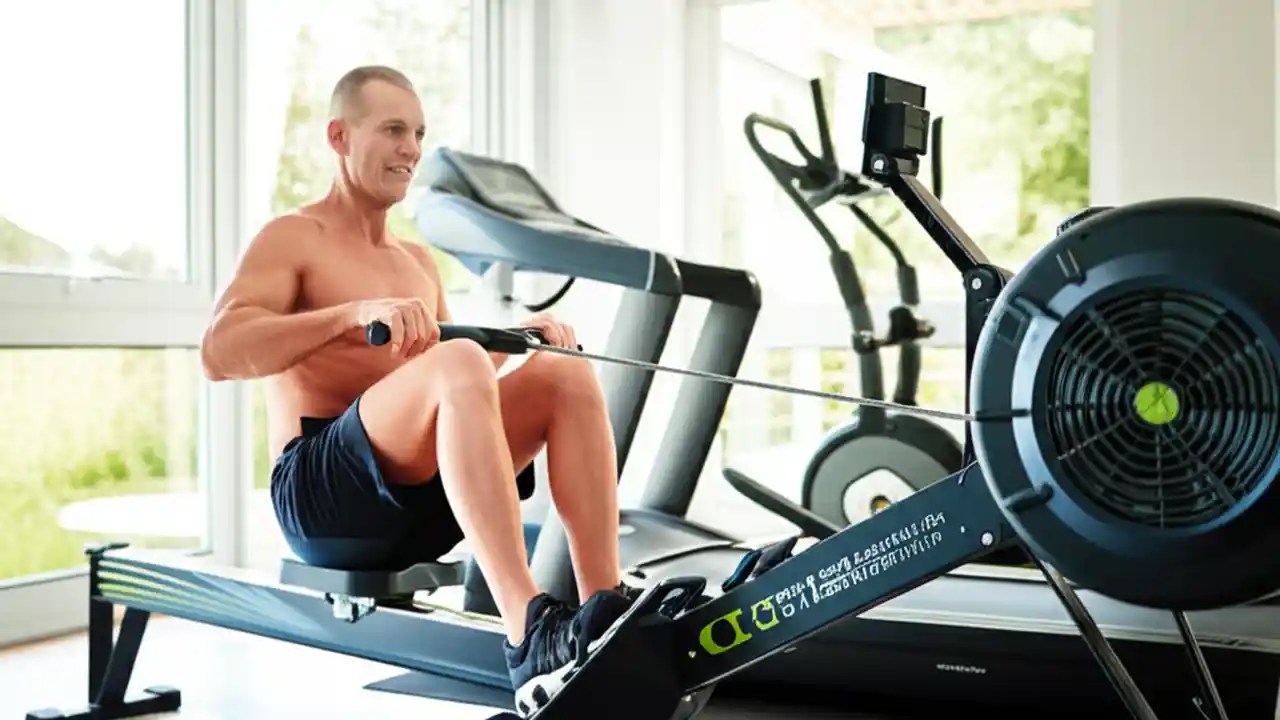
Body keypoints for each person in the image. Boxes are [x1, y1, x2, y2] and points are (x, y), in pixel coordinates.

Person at [199, 64, 634, 714]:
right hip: (323, 499)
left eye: (419, 133)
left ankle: (606, 614)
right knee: (459, 358)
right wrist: (348, 316)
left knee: (561, 374)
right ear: (340, 137)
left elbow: (452, 390)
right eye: (393, 129)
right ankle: (528, 633)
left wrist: (512, 338)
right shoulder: (294, 236)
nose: (410, 149)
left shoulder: (414, 262)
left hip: (416, 495)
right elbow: (219, 353)